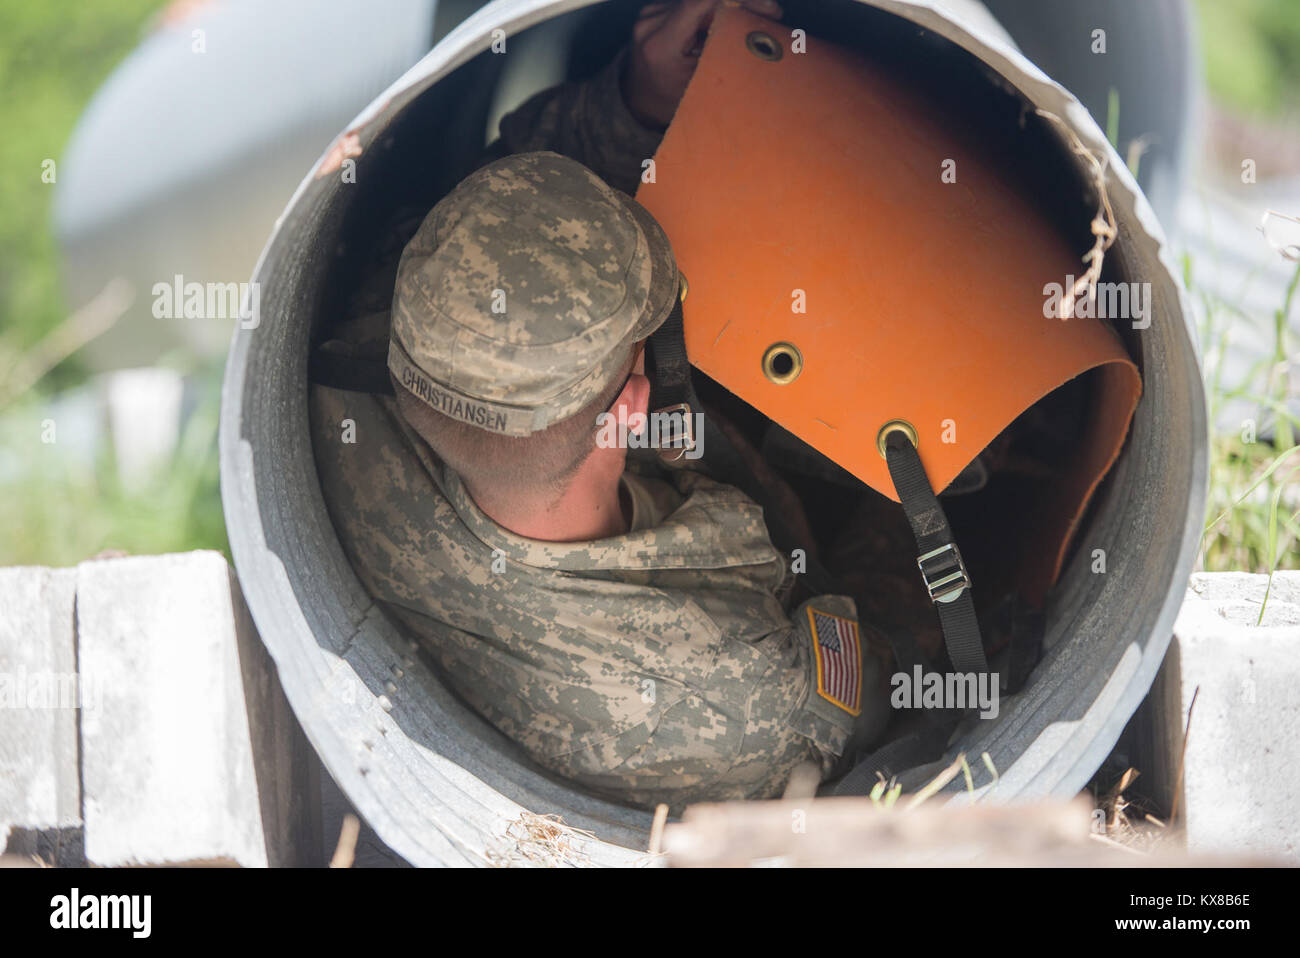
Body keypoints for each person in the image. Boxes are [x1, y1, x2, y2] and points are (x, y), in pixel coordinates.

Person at [311, 147, 890, 812]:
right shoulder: (745, 701)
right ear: (630, 413)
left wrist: (626, 98)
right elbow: (877, 687)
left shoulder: (343, 408)